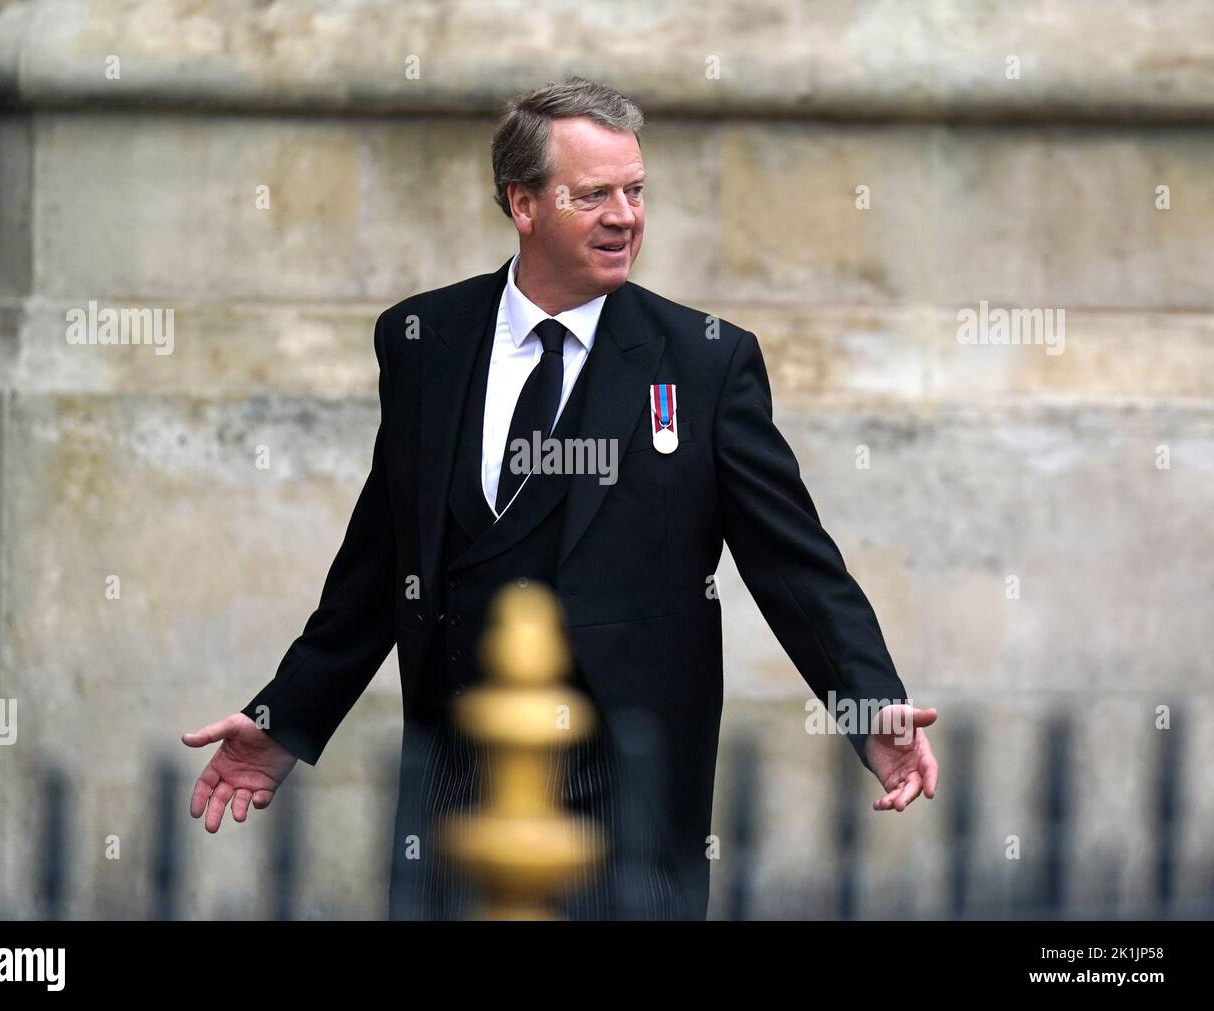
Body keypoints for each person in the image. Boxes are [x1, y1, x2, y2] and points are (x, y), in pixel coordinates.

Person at [183, 76, 939, 920]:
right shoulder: (423, 340)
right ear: (524, 204)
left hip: (631, 786)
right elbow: (379, 562)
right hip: (458, 781)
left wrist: (866, 698)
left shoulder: (702, 361)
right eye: (594, 195)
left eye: (636, 190)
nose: (626, 216)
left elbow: (793, 561)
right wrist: (286, 718)